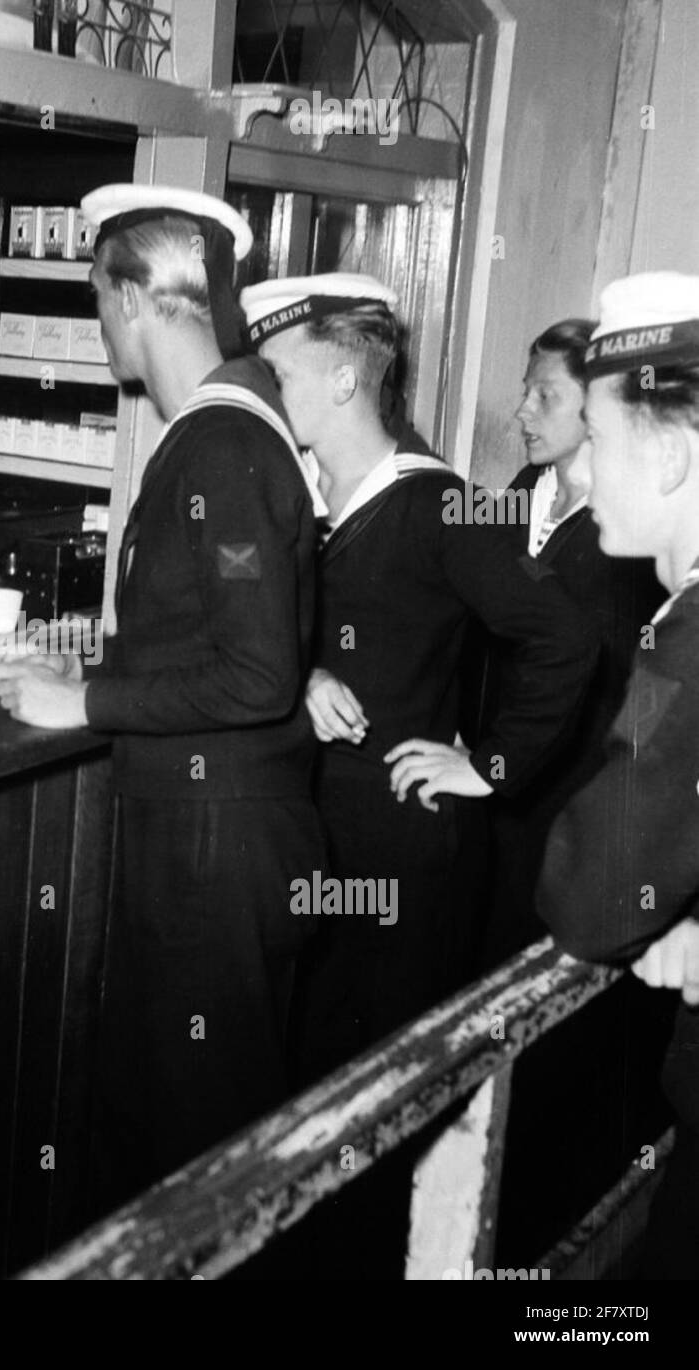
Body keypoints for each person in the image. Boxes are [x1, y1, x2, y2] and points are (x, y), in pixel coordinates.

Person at [0, 183, 327, 1211]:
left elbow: (256, 673)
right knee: (183, 1133)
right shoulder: (227, 427)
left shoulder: (221, 445)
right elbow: (227, 641)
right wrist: (87, 675)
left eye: (98, 296)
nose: (99, 324)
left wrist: (79, 705)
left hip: (214, 851)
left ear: (136, 298)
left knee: (198, 1153)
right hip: (214, 835)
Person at [240, 273, 600, 1082]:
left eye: (280, 373)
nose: (264, 390)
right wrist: (303, 673)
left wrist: (488, 765)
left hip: (396, 851)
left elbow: (564, 637)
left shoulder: (441, 503)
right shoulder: (286, 492)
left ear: (342, 380)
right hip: (303, 833)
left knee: (374, 1090)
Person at [539, 270, 699, 1279]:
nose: (583, 472)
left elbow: (587, 893)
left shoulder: (684, 645)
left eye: (594, 439)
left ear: (674, 457)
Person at [478, 319, 665, 960]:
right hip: (509, 776)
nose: (522, 411)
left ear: (597, 407)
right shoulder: (523, 492)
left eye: (545, 396)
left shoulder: (630, 524)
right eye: (525, 392)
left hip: (583, 790)